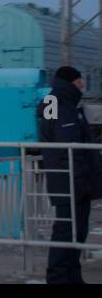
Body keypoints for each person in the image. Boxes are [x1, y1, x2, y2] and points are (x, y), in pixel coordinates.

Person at [38, 65, 101, 284]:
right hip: (69, 179)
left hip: (75, 179)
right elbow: (66, 145)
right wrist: (80, 179)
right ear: (69, 83)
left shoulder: (64, 104)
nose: (82, 85)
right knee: (66, 231)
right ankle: (57, 278)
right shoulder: (57, 104)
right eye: (78, 82)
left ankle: (72, 277)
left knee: (77, 232)